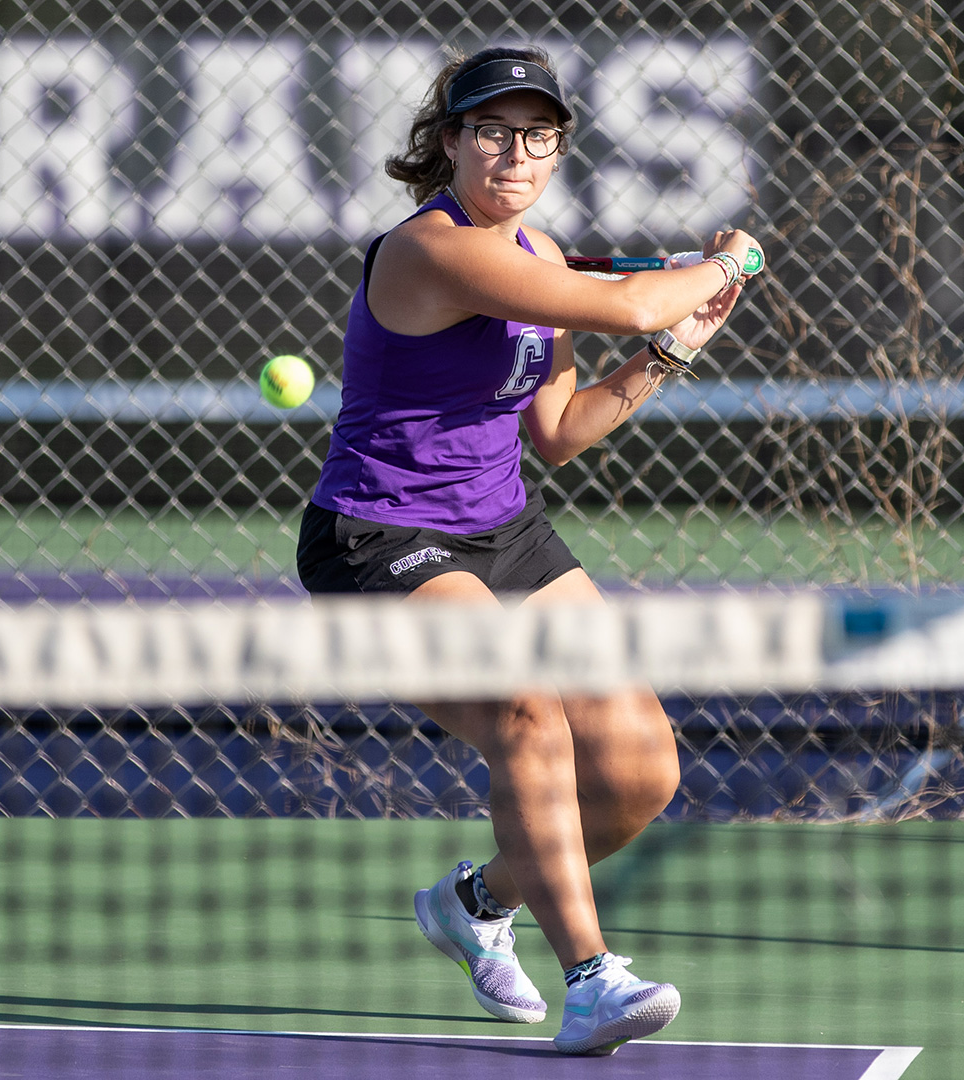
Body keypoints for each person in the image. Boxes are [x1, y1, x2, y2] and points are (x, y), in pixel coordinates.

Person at [295, 45, 761, 1056]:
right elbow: (640, 297)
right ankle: (593, 980)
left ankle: (475, 901)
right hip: (382, 538)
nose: (514, 150)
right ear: (452, 142)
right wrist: (725, 264)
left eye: (536, 136)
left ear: (556, 154)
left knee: (639, 773)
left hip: (505, 530)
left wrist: (675, 349)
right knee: (525, 711)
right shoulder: (428, 249)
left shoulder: (544, 261)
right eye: (492, 130)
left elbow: (559, 429)